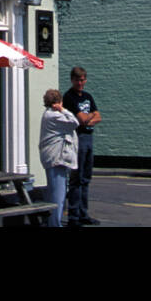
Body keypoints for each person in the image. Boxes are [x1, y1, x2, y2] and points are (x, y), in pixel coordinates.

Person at [63, 66, 102, 226]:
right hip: (77, 138)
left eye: (82, 79)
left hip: (88, 138)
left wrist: (90, 117)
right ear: (72, 80)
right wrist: (89, 117)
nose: (80, 83)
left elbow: (98, 116)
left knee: (86, 178)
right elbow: (81, 119)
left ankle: (84, 213)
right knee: (76, 179)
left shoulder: (87, 96)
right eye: (77, 80)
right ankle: (74, 216)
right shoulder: (69, 97)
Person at [38, 88, 79, 227]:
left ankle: (51, 222)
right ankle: (55, 224)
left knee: (55, 192)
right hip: (56, 158)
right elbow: (74, 123)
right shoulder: (54, 116)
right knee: (58, 196)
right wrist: (64, 110)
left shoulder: (48, 114)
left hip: (54, 158)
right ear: (58, 102)